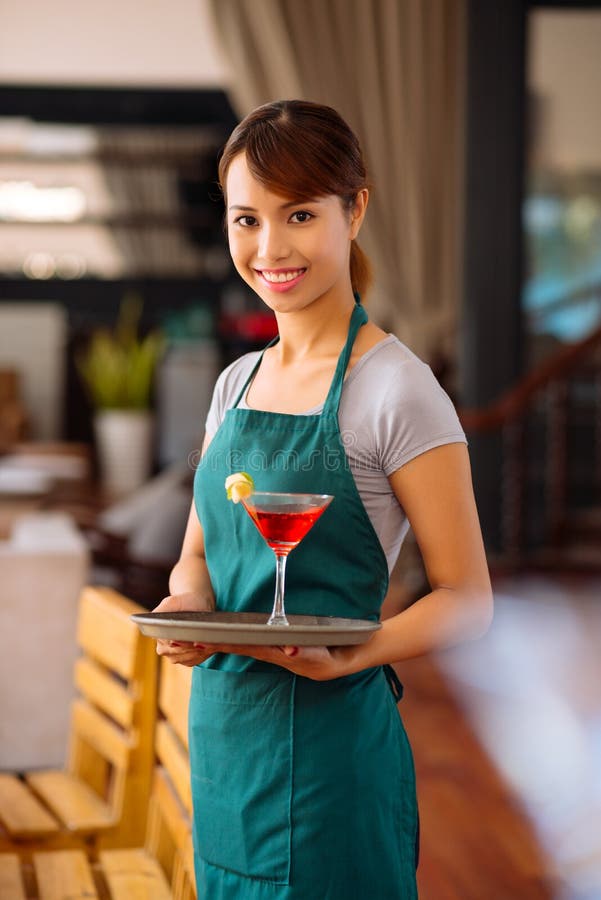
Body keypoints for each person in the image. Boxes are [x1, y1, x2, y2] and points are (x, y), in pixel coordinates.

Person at [156, 99, 493, 899]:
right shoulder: (235, 383)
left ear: (356, 209)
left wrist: (350, 654)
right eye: (247, 219)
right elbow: (196, 558)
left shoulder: (397, 390)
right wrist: (183, 610)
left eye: (299, 214)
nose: (270, 247)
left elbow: (467, 599)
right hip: (227, 740)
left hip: (331, 758)